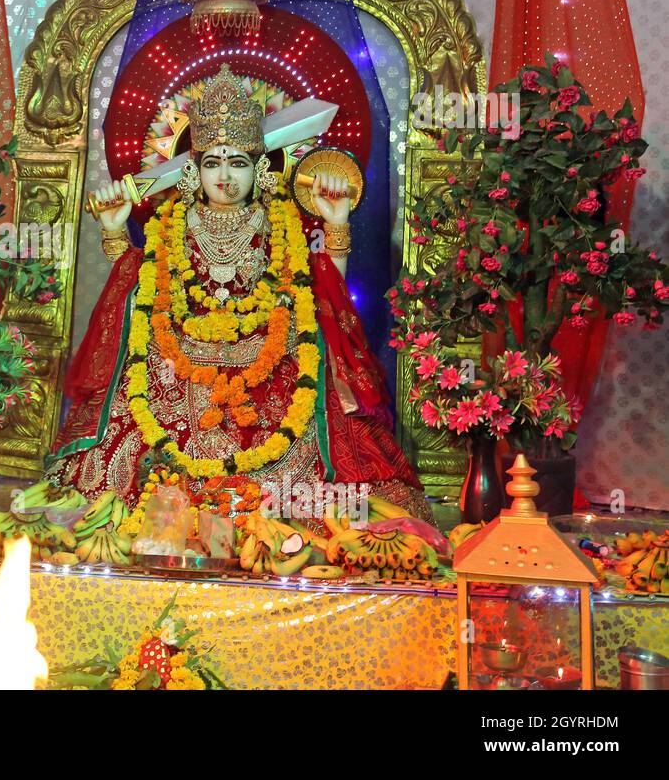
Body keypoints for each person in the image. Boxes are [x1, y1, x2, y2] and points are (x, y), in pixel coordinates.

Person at [47, 65, 430, 521]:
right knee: (129, 430)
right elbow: (143, 297)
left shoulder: (279, 224)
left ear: (259, 169)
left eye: (238, 162)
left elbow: (323, 297)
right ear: (194, 170)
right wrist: (114, 235)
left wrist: (336, 222)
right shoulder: (172, 225)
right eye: (212, 163)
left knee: (315, 414)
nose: (224, 176)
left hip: (269, 369)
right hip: (178, 367)